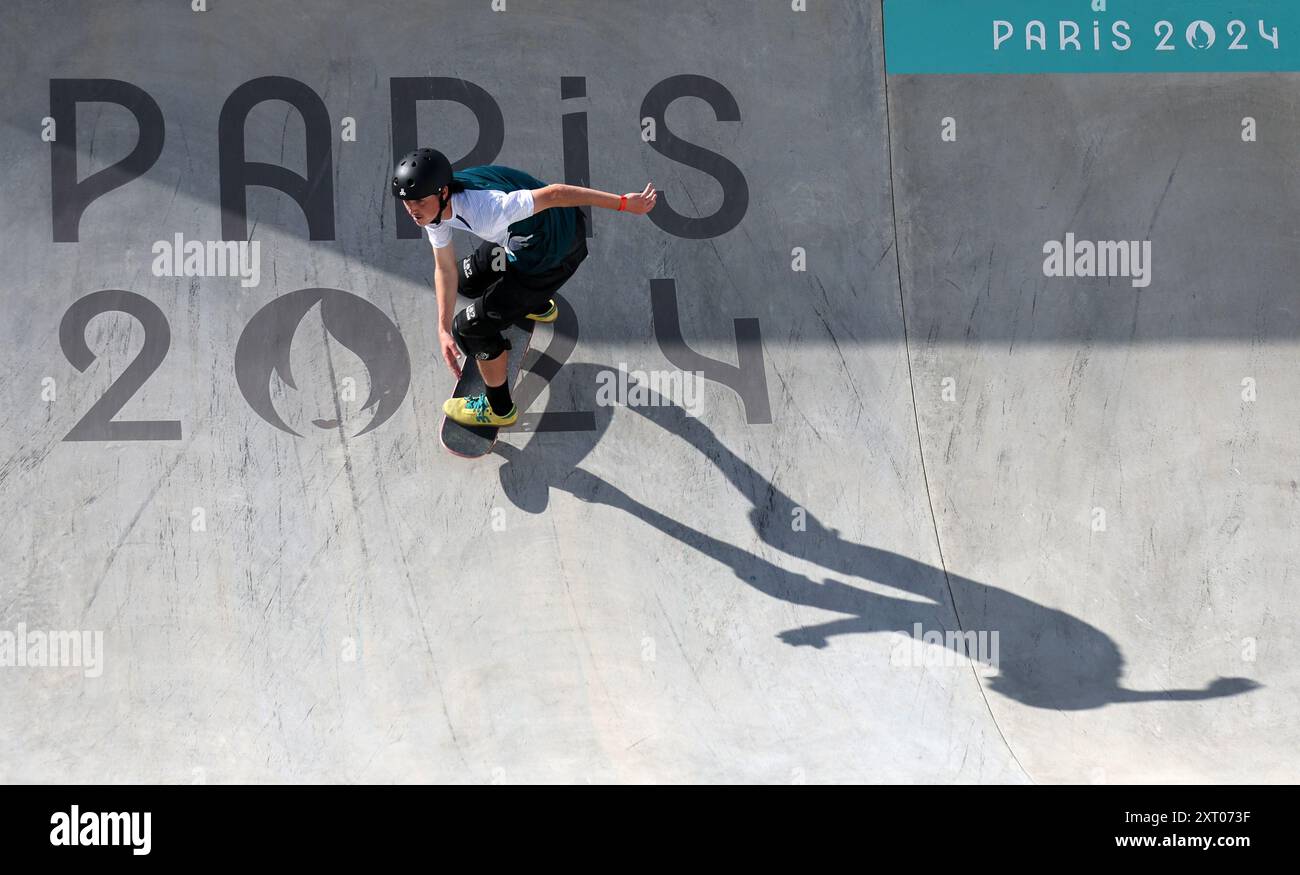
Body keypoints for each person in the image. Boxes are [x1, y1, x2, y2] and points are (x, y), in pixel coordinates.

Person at [392, 148, 657, 427]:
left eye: (418, 201)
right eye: (407, 203)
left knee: (469, 330)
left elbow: (556, 194)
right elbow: (444, 269)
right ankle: (538, 304)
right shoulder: (433, 208)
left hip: (552, 253)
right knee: (465, 279)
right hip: (524, 236)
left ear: (443, 192)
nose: (412, 210)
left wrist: (625, 204)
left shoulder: (488, 210)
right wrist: (440, 328)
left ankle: (499, 409)